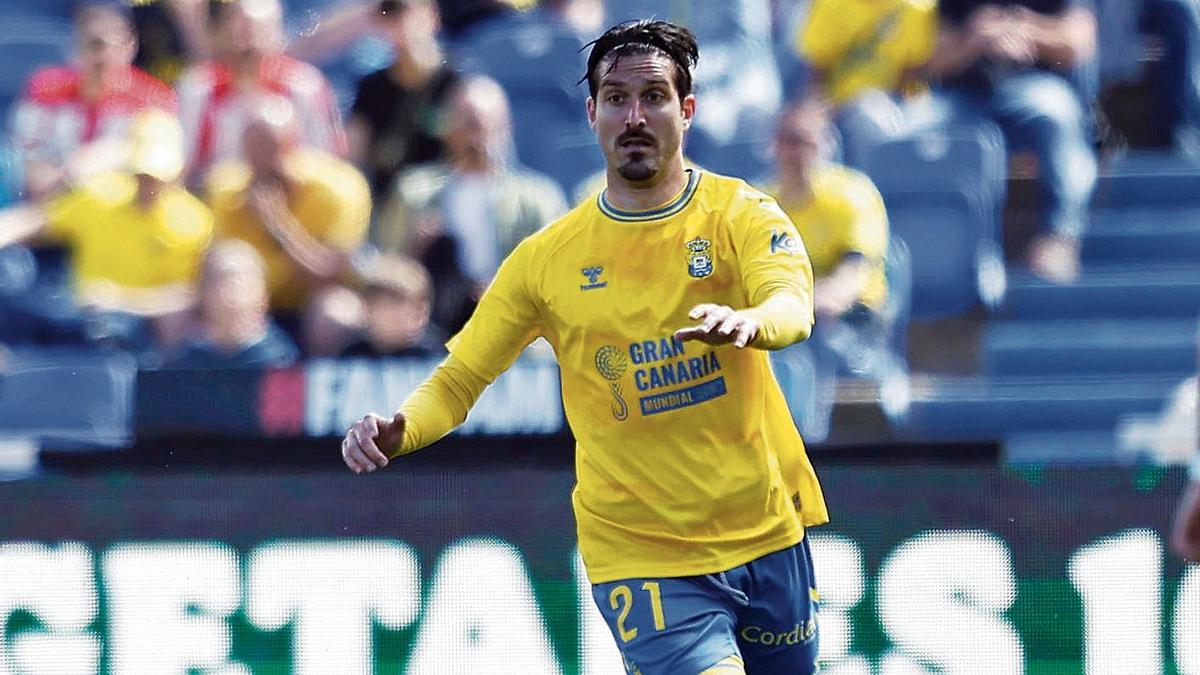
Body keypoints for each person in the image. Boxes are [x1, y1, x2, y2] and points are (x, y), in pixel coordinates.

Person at [341, 20, 828, 674]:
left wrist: (754, 323)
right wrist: (404, 427)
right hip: (641, 550)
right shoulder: (548, 259)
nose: (634, 114)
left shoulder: (741, 213)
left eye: (654, 96)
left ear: (687, 111)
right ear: (592, 111)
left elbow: (793, 303)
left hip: (765, 531)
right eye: (617, 97)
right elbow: (460, 380)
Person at [0, 108, 211, 351]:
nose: (148, 184)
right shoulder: (101, 195)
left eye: (157, 177)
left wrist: (120, 300)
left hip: (142, 327)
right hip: (80, 319)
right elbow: (37, 219)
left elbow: (187, 296)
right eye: (141, 175)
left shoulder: (195, 222)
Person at [374, 75, 568, 335]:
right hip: (430, 321)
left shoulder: (538, 199)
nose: (476, 136)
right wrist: (413, 251)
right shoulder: (413, 193)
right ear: (447, 128)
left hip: (515, 322)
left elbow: (559, 273)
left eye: (483, 124)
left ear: (506, 128)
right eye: (467, 124)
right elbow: (384, 266)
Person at [924, 0, 1099, 284]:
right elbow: (932, 59)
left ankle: (1060, 238)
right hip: (962, 98)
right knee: (915, 126)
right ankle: (932, 252)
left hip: (1030, 89)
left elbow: (1078, 41)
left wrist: (1024, 30)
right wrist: (975, 39)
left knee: (1058, 113)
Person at [765, 98, 899, 443]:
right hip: (782, 325)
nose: (796, 153)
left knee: (810, 339)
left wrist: (788, 310)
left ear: (826, 145)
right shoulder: (759, 204)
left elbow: (845, 285)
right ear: (773, 147)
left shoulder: (852, 194)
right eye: (788, 140)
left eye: (806, 141)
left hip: (851, 326)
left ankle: (806, 447)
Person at [204, 96, 371, 349]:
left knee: (336, 313)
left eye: (269, 150)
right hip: (253, 304)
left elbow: (331, 277)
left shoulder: (337, 189)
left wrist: (278, 225)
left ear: (292, 146)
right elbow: (218, 263)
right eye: (253, 152)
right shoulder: (229, 190)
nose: (261, 163)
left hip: (310, 302)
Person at [10, 0, 178, 200]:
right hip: (51, 206)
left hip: (121, 208)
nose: (102, 57)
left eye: (109, 45)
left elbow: (159, 174)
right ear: (75, 48)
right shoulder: (45, 90)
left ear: (130, 46)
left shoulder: (154, 100)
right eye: (92, 45)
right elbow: (27, 160)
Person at [176, 0, 346, 180]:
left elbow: (325, 162)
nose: (246, 45)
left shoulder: (304, 86)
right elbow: (184, 163)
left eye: (255, 32)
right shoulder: (198, 88)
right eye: (239, 31)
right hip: (220, 200)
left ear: (275, 36)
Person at [796, 0, 939, 167]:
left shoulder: (918, 7)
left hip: (901, 103)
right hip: (840, 108)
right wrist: (819, 107)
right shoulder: (830, 5)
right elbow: (816, 73)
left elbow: (916, 72)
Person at [348, 0, 460, 199]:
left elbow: (470, 160)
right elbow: (355, 158)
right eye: (386, 13)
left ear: (431, 16)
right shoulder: (371, 87)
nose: (398, 23)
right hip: (384, 203)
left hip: (443, 202)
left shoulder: (458, 83)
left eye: (404, 10)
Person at [170, 239, 299, 368]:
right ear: (201, 292)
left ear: (264, 296)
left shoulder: (281, 360)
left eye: (242, 278)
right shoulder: (182, 363)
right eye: (218, 279)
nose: (231, 289)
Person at [341, 254, 445, 358]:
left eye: (397, 306)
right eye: (383, 307)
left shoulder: (436, 356)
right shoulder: (352, 357)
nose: (390, 316)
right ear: (367, 309)